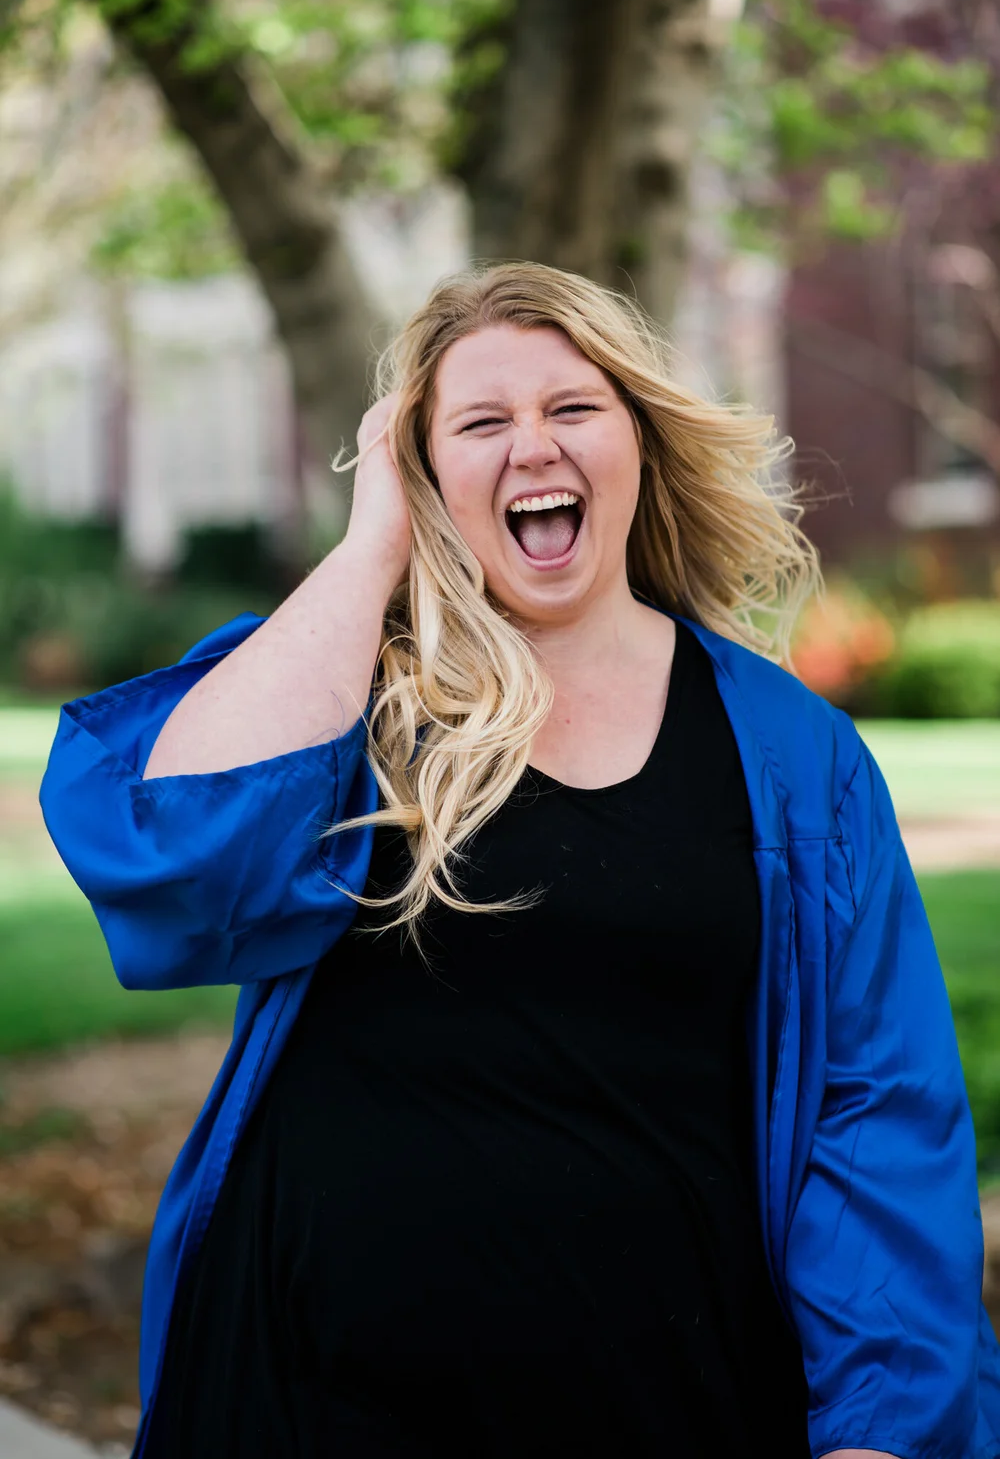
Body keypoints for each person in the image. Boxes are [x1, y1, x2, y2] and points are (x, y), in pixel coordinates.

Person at [41, 263, 1000, 1459]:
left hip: (669, 1398)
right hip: (310, 1393)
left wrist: (880, 1431)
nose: (530, 447)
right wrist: (368, 549)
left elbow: (876, 1110)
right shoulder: (357, 695)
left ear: (638, 440)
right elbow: (180, 867)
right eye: (480, 424)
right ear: (425, 474)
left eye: (572, 409)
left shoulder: (792, 757)